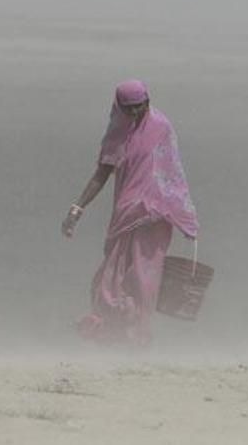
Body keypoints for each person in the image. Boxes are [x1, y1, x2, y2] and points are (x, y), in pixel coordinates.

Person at [61, 79, 198, 346]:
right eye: (129, 108)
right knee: (110, 278)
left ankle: (137, 340)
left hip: (155, 216)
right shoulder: (117, 132)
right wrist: (77, 209)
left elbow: (173, 176)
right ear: (119, 107)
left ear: (148, 100)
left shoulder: (161, 127)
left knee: (143, 280)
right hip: (125, 215)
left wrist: (187, 219)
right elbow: (102, 173)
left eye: (140, 106)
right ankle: (111, 334)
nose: (136, 112)